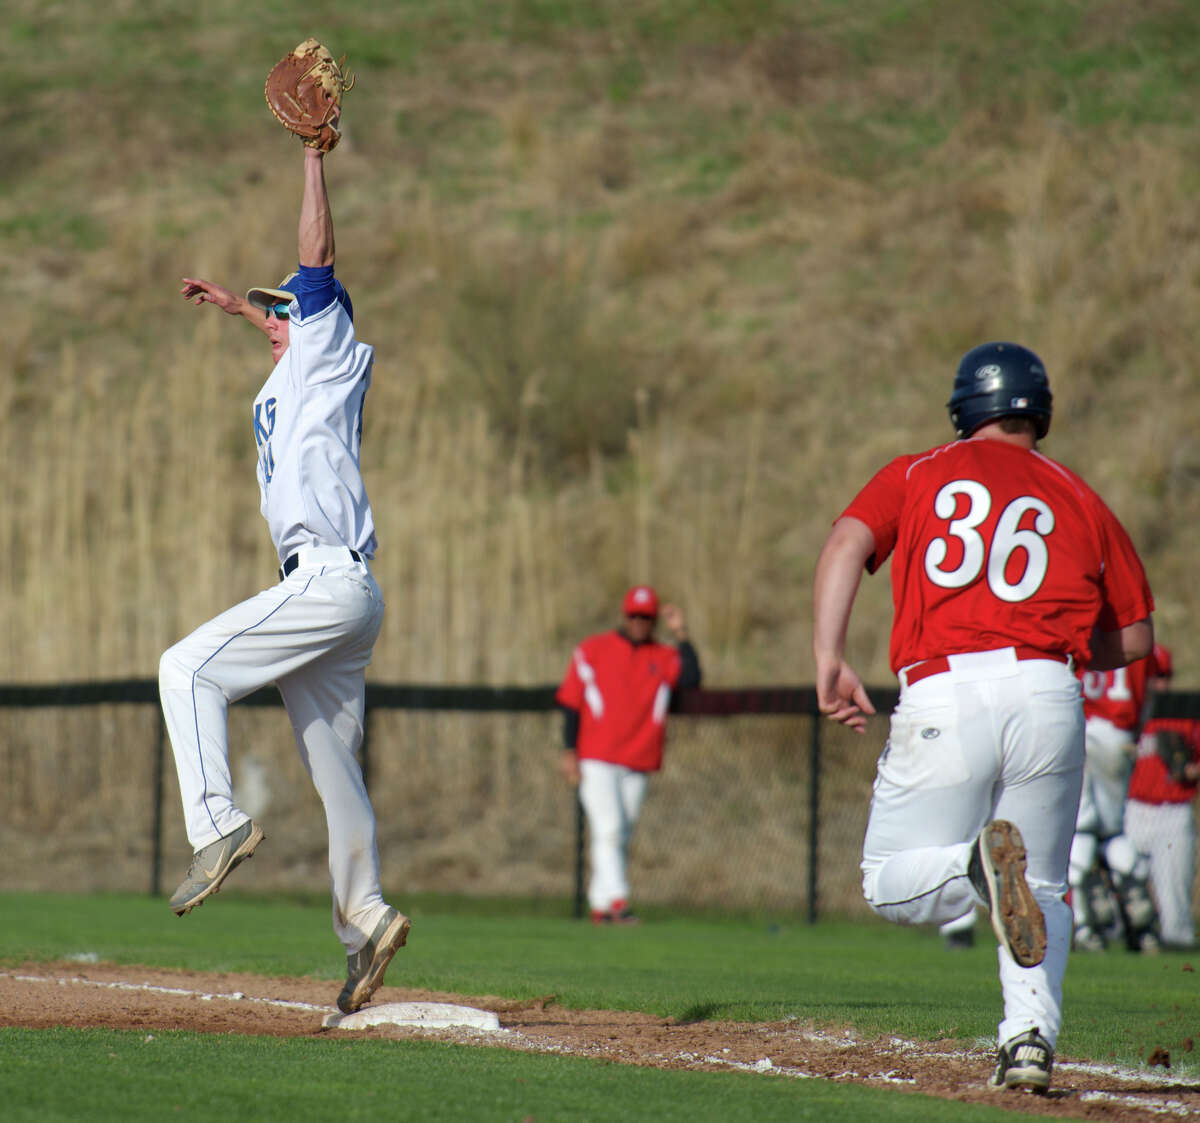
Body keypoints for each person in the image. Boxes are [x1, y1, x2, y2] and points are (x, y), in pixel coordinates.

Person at [812, 342, 1154, 1096]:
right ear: (1041, 412)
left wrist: (829, 654)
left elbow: (845, 542)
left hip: (945, 688)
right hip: (1049, 690)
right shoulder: (1078, 494)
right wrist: (1055, 643)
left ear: (966, 408)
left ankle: (974, 868)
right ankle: (1028, 1040)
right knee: (1049, 887)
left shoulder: (918, 470)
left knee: (889, 883)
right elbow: (1134, 637)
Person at [158, 136, 409, 1015]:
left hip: (328, 580)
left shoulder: (327, 347)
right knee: (335, 769)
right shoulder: (290, 374)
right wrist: (238, 306)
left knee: (186, 668)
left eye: (285, 307)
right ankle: (367, 917)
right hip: (347, 593)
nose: (278, 312)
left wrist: (312, 158)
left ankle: (216, 823)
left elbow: (318, 259)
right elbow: (278, 320)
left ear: (315, 319)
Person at [556, 586, 701, 924]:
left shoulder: (663, 656)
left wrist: (681, 632)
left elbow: (693, 679)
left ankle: (599, 903)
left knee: (620, 832)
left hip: (638, 758)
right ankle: (619, 901)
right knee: (609, 827)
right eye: (634, 615)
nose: (639, 622)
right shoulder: (592, 650)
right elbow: (572, 704)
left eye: (646, 617)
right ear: (624, 615)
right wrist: (568, 750)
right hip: (596, 755)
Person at [1068, 643, 1172, 952]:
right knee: (1113, 831)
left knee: (1083, 828)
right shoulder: (1140, 642)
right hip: (1119, 731)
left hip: (1083, 728)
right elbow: (1152, 691)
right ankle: (1139, 918)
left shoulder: (1081, 634)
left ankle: (1086, 924)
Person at [1125, 649, 1200, 949]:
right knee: (1124, 883)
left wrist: (1191, 769)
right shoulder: (1129, 713)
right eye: (1153, 676)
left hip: (1173, 809)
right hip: (1130, 811)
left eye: (1163, 676)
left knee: (1175, 906)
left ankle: (1174, 954)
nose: (1159, 684)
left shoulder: (1185, 714)